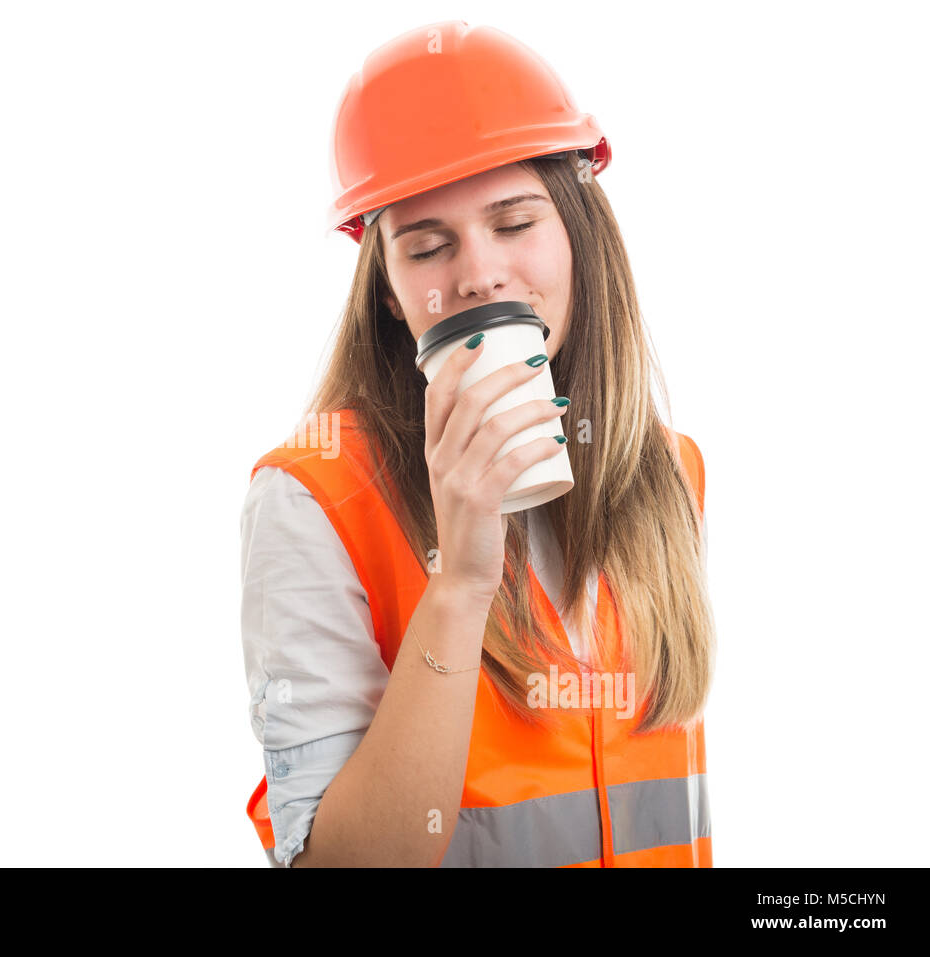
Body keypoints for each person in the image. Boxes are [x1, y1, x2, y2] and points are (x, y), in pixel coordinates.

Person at [240, 20, 715, 868]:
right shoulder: (313, 497)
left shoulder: (668, 471)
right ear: (388, 291)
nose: (478, 274)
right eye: (428, 245)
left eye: (514, 221)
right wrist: (458, 581)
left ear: (579, 233)